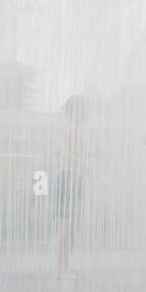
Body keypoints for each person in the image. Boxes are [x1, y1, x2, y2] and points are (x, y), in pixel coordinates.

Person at [55, 96, 90, 280]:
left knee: (72, 224)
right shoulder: (68, 129)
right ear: (76, 111)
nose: (87, 114)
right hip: (68, 177)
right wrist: (83, 162)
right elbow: (63, 153)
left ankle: (65, 266)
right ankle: (61, 269)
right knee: (66, 224)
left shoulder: (76, 130)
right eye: (85, 110)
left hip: (75, 178)